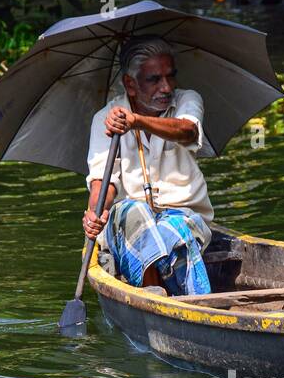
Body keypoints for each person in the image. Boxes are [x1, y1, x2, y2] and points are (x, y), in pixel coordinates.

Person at [82, 37, 213, 295]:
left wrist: (137, 121)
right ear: (130, 85)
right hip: (127, 224)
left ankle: (196, 303)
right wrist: (95, 211)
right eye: (154, 80)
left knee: (174, 231)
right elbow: (103, 181)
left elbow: (187, 131)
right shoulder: (105, 119)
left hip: (184, 216)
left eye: (170, 77)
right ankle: (153, 291)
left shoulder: (187, 100)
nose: (166, 87)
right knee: (135, 211)